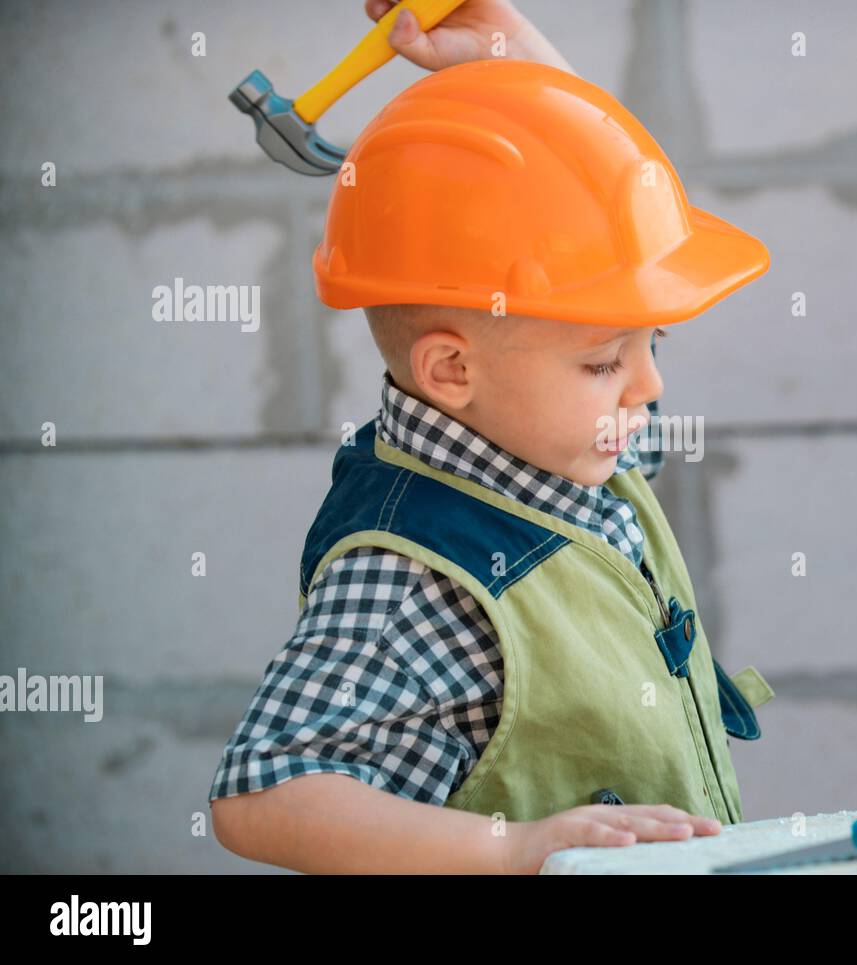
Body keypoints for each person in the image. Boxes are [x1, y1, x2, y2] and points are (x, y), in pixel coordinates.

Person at [208, 0, 773, 874]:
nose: (650, 387)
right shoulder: (411, 573)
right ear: (451, 371)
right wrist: (514, 849)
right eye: (604, 360)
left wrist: (519, 64)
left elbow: (605, 222)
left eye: (652, 344)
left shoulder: (558, 445)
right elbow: (264, 792)